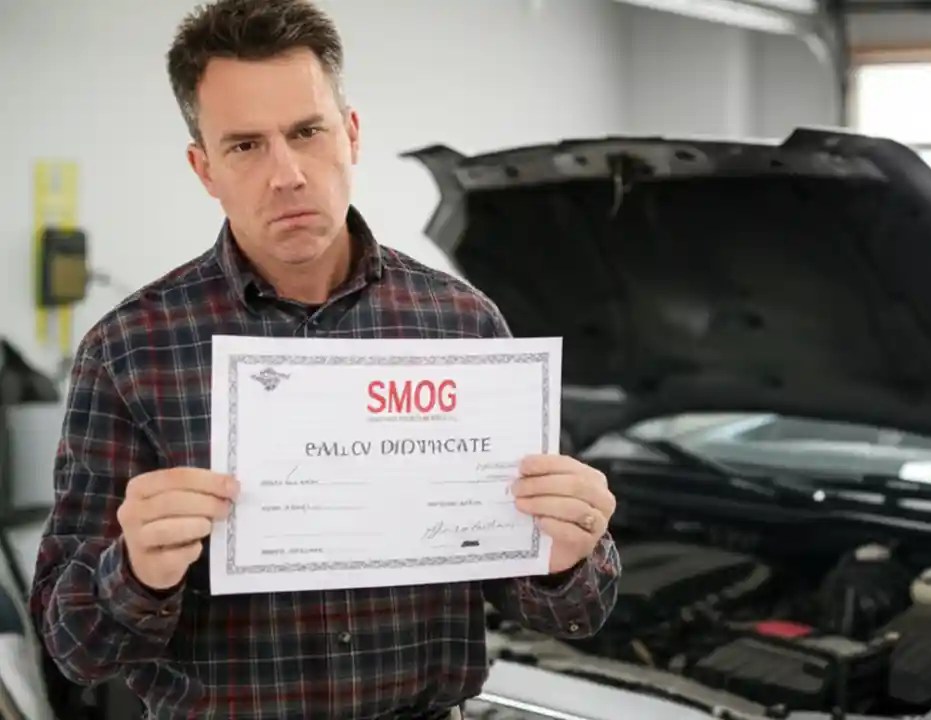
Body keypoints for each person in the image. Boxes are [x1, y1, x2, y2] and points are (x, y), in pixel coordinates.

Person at [27, 1, 621, 718]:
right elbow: (72, 647)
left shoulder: (463, 327)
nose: (287, 174)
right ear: (204, 167)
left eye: (307, 132)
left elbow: (571, 614)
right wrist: (137, 574)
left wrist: (564, 555)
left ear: (351, 133)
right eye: (245, 146)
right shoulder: (130, 350)